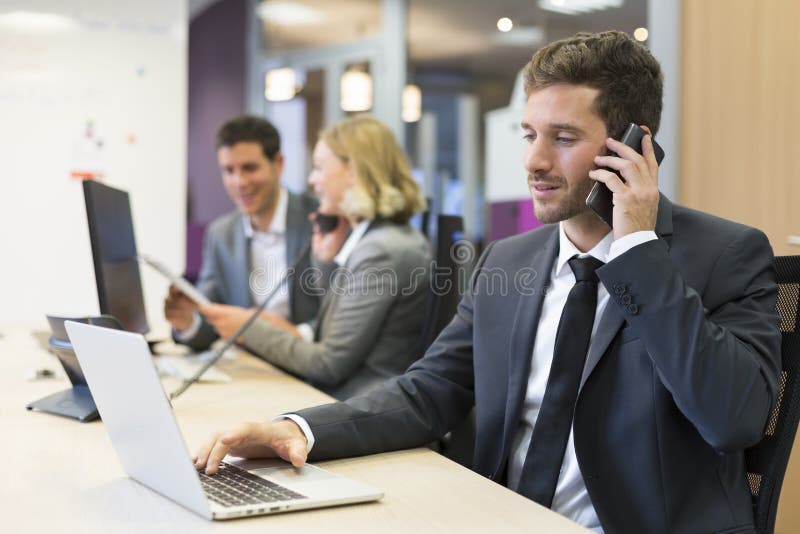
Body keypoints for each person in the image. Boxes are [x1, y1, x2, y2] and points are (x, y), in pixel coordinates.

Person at [194, 31, 782, 534]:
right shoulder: (508, 260)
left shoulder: (727, 254)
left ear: (633, 147)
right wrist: (294, 427)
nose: (534, 162)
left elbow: (733, 418)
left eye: (564, 138)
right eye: (529, 135)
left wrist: (636, 250)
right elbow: (427, 393)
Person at [200, 115, 431, 400]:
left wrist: (247, 328)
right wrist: (324, 264)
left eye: (319, 167)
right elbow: (337, 331)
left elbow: (328, 363)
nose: (312, 180)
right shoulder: (375, 239)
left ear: (354, 172)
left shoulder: (380, 250)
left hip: (359, 404)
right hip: (347, 396)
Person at [164, 115, 319, 351]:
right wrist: (188, 322)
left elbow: (345, 318)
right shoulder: (220, 234)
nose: (239, 182)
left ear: (278, 164)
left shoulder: (319, 220)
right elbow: (209, 321)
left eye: (249, 168)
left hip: (308, 366)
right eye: (228, 170)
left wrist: (299, 333)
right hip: (252, 367)